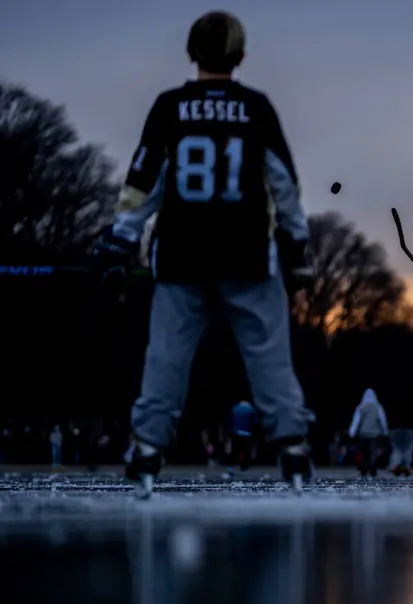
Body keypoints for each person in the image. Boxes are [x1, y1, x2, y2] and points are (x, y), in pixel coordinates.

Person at [89, 10, 315, 496]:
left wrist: (122, 236)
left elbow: (144, 180)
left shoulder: (170, 107)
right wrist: (297, 246)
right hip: (248, 250)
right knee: (268, 354)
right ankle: (292, 445)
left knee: (167, 354)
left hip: (182, 250)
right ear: (241, 57)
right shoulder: (256, 108)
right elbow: (285, 184)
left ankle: (148, 446)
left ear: (191, 53)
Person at [347, 388, 388, 477]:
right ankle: (373, 470)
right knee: (373, 452)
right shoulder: (378, 407)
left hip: (363, 434)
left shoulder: (361, 407)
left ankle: (364, 470)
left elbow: (356, 421)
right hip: (375, 434)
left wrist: (352, 432)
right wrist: (385, 431)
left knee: (364, 453)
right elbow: (382, 420)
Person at [226, 400, 257, 476]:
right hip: (247, 433)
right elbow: (255, 422)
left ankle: (231, 467)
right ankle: (244, 466)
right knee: (246, 451)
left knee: (234, 450)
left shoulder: (235, 408)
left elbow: (230, 421)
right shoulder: (251, 409)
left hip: (236, 432)